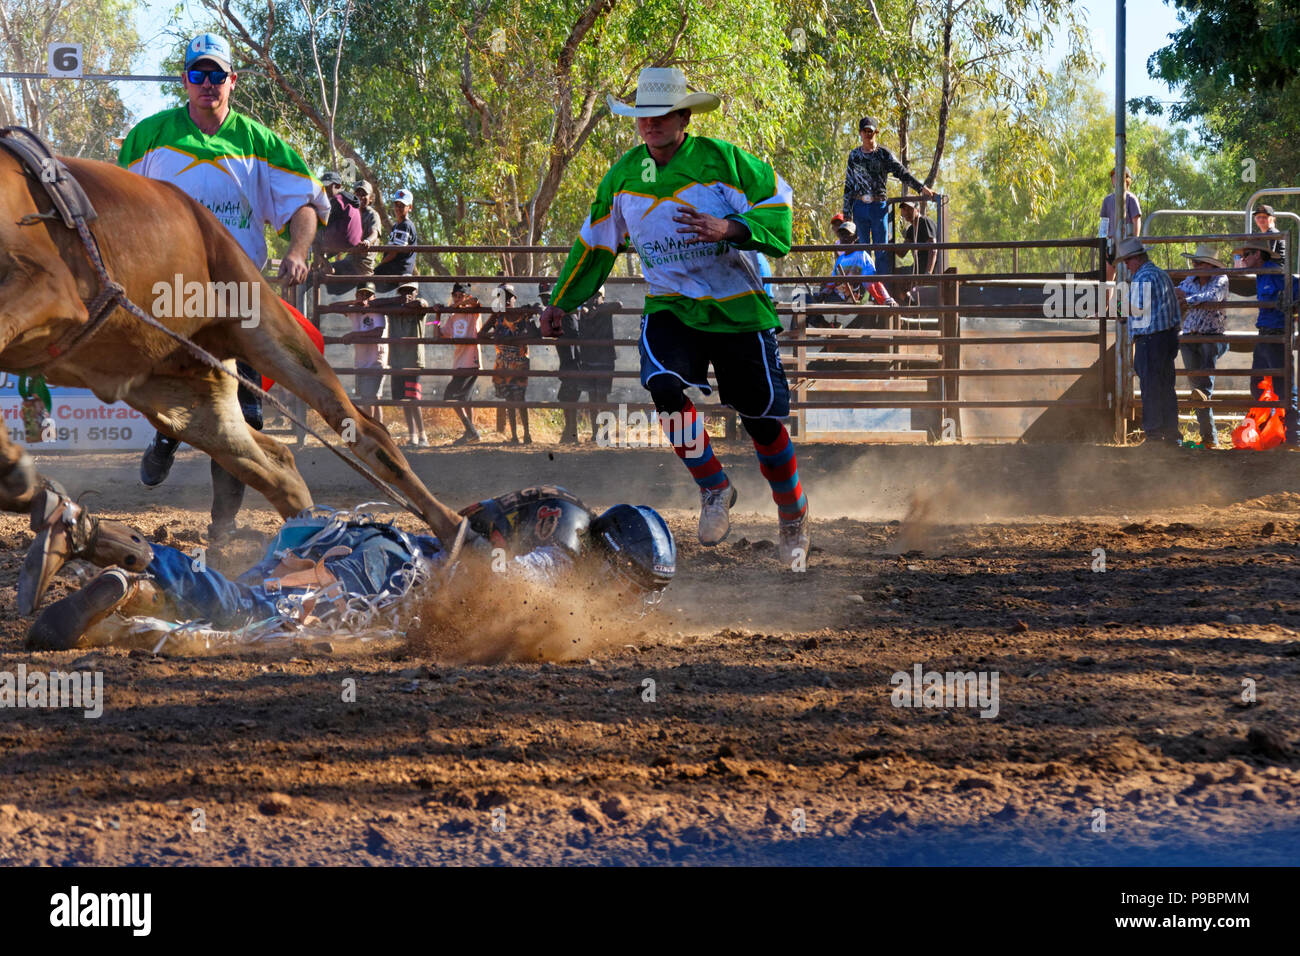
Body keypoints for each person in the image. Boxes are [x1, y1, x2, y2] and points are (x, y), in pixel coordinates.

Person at [541, 66, 810, 563]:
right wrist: (562, 299)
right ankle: (713, 487)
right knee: (662, 384)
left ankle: (793, 517)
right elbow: (594, 242)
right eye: (644, 115)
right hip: (671, 304)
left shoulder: (723, 159)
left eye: (662, 114)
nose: (651, 123)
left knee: (761, 423)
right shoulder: (623, 175)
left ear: (684, 116)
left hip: (736, 305)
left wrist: (728, 227)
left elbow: (778, 202)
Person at [20, 484, 676, 651]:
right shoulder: (567, 537)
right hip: (388, 565)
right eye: (626, 581)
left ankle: (132, 592)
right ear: (608, 555)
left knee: (249, 601)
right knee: (263, 614)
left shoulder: (555, 513)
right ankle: (120, 549)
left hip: (360, 542)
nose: (623, 597)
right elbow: (516, 581)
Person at [120, 32, 330, 542]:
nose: (207, 84)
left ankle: (224, 525)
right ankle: (164, 439)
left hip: (242, 296)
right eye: (198, 74)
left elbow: (305, 203)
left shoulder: (260, 143)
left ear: (232, 81)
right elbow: (115, 208)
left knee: (247, 416)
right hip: (172, 296)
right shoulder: (149, 137)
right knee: (169, 390)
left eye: (217, 75)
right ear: (185, 81)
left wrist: (298, 252)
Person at [841, 116, 935, 284]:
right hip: (860, 206)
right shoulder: (854, 156)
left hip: (878, 206)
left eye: (871, 131)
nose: (868, 135)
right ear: (860, 133)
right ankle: (867, 289)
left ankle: (882, 290)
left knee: (882, 250)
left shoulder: (883, 154)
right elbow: (849, 184)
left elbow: (902, 172)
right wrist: (847, 212)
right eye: (865, 131)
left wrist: (921, 188)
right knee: (863, 250)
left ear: (876, 132)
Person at [1234, 238, 1299, 443]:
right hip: (1265, 335)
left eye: (1247, 255)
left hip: (1277, 334)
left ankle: (1293, 435)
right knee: (1259, 384)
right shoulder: (1263, 274)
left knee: (1283, 386)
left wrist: (1293, 303)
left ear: (1258, 255)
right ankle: (1271, 429)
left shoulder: (1276, 272)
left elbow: (1297, 287)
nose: (1243, 259)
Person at [1117, 236, 1181, 444]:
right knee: (1165, 386)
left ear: (1136, 258)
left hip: (1151, 339)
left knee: (1151, 387)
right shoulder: (1161, 274)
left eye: (1127, 260)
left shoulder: (1143, 277)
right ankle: (1171, 434)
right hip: (1167, 336)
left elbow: (1135, 308)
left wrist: (1119, 309)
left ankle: (1154, 434)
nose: (1126, 265)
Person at [1174, 244, 1229, 447]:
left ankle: (1210, 437)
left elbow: (1213, 297)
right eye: (1194, 262)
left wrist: (1187, 300)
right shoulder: (1191, 280)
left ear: (1210, 265)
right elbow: (1176, 292)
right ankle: (1209, 438)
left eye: (1198, 262)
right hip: (1191, 337)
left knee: (1201, 387)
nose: (1194, 265)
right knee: (1199, 389)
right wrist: (1185, 298)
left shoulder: (1221, 279)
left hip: (1211, 336)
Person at [558, 286, 619, 443]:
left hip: (604, 360)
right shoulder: (582, 311)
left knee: (602, 398)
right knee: (592, 398)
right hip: (588, 360)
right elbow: (571, 306)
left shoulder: (605, 310)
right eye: (590, 295)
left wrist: (597, 309)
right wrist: (583, 308)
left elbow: (619, 304)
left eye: (597, 296)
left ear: (602, 298)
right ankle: (595, 433)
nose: (593, 298)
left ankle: (604, 434)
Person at [372, 281, 428, 446]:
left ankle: (423, 435)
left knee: (413, 400)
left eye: (410, 291)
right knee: (404, 400)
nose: (406, 294)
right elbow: (374, 304)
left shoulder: (418, 309)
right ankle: (413, 436)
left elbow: (423, 304)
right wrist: (396, 302)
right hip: (396, 360)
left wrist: (408, 303)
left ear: (416, 292)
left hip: (413, 360)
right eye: (403, 291)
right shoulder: (394, 309)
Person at [480, 283, 537, 445]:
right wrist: (497, 337)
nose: (504, 300)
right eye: (501, 297)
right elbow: (481, 334)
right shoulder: (497, 317)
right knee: (509, 400)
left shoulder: (523, 315)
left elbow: (534, 334)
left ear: (514, 299)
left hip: (519, 364)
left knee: (520, 399)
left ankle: (526, 433)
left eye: (507, 297)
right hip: (503, 364)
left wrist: (531, 316)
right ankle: (514, 435)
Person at [433, 282, 483, 445]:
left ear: (466, 297)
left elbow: (476, 300)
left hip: (471, 361)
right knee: (465, 400)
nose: (456, 298)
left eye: (460, 296)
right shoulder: (453, 317)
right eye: (454, 295)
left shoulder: (472, 313)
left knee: (450, 396)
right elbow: (438, 335)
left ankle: (471, 430)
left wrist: (455, 305)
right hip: (459, 362)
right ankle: (471, 433)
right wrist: (438, 316)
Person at [824, 219, 896, 314]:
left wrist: (886, 298)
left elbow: (873, 282)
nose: (844, 237)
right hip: (839, 297)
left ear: (855, 238)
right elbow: (833, 282)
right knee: (807, 300)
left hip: (856, 298)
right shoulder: (840, 259)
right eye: (842, 234)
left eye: (847, 234)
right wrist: (825, 291)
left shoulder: (861, 255)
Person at [339, 282, 384, 420]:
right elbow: (333, 307)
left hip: (375, 361)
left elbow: (377, 332)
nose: (364, 298)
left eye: (368, 295)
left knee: (370, 398)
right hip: (361, 362)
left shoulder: (377, 312)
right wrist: (354, 303)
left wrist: (353, 335)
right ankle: (378, 432)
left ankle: (372, 432)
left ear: (374, 297)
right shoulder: (355, 311)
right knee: (370, 399)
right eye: (361, 294)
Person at [1100, 167, 1142, 283]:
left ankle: (1125, 301)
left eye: (1118, 176)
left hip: (1126, 245)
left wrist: (1133, 244)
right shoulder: (1107, 200)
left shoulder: (1131, 199)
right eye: (1113, 176)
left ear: (1127, 179)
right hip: (1111, 246)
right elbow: (1104, 224)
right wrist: (1103, 243)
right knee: (1107, 282)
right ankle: (1107, 301)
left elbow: (1136, 221)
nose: (1115, 179)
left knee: (1127, 280)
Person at [374, 188, 419, 293]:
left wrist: (380, 265)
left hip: (399, 268)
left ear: (410, 207)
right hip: (394, 267)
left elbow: (393, 253)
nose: (398, 208)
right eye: (396, 205)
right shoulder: (396, 226)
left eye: (402, 206)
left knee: (369, 279)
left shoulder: (405, 225)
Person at [898, 199, 937, 303]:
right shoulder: (911, 230)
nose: (906, 212)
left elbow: (933, 249)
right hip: (918, 266)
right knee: (897, 280)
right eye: (904, 209)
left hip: (928, 267)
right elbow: (902, 253)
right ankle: (912, 307)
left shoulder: (925, 222)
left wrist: (928, 272)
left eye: (910, 209)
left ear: (917, 209)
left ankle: (915, 308)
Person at [346, 180, 382, 280]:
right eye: (357, 194)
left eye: (364, 195)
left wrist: (367, 241)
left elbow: (374, 233)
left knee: (327, 271)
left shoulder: (373, 215)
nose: (360, 198)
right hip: (350, 261)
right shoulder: (351, 215)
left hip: (362, 264)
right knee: (323, 269)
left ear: (370, 198)